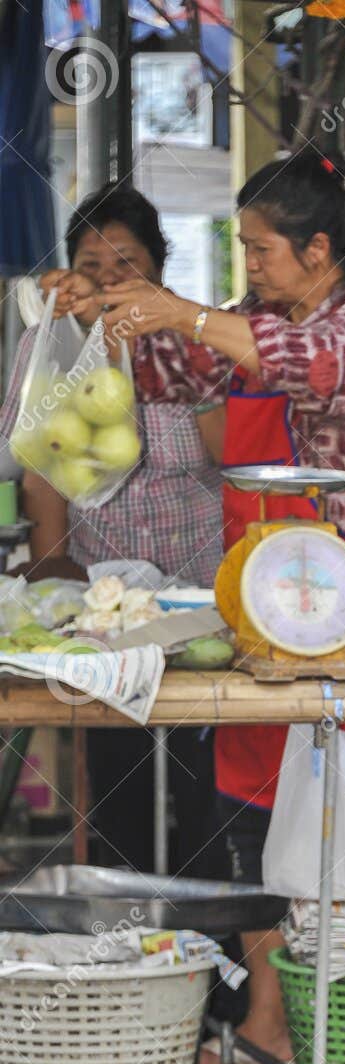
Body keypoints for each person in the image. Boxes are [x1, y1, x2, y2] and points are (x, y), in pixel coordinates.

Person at [102, 151, 345, 1064]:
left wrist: (187, 311)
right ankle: (269, 1024)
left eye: (261, 249)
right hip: (259, 601)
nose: (251, 268)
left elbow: (319, 371)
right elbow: (172, 373)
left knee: (342, 815)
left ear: (319, 250)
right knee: (251, 806)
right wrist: (107, 309)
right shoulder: (254, 322)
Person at [0, 184, 224, 875]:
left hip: (202, 597)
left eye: (125, 260)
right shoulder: (53, 346)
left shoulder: (193, 338)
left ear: (158, 266)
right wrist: (55, 578)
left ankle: (218, 956)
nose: (107, 276)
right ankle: (128, 940)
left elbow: (232, 456)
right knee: (118, 774)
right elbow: (38, 468)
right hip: (108, 606)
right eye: (92, 262)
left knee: (208, 780)